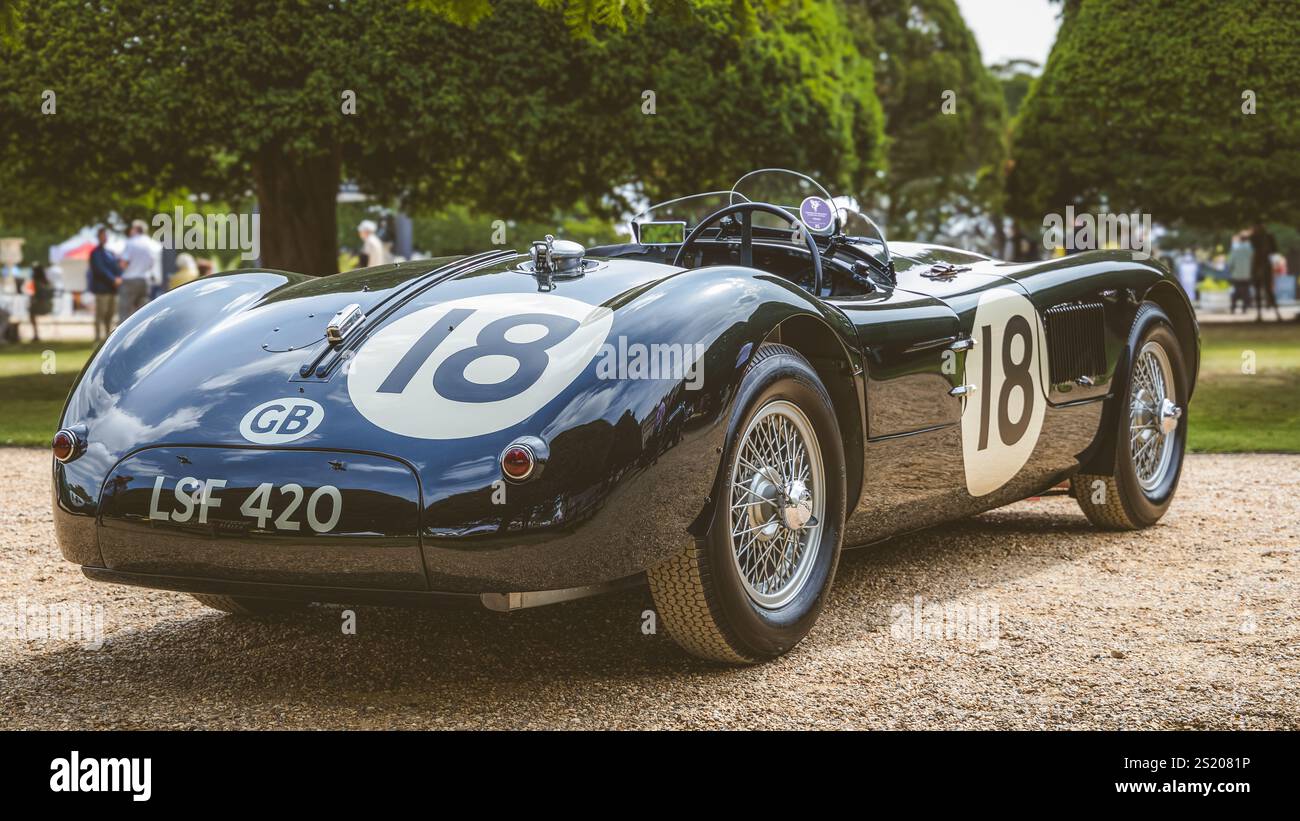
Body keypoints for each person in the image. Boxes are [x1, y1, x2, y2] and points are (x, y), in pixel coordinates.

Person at [118, 219, 156, 322]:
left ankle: (124, 337)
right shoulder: (151, 243)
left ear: (135, 229)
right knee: (142, 312)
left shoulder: (131, 243)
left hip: (130, 280)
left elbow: (123, 264)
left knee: (125, 311)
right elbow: (152, 263)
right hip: (145, 280)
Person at [88, 226, 121, 340]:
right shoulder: (95, 253)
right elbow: (100, 269)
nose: (104, 238)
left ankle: (108, 337)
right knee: (100, 314)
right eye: (102, 235)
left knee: (110, 315)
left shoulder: (110, 252)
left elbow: (116, 267)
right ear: (98, 237)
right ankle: (97, 337)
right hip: (102, 289)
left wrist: (119, 278)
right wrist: (113, 280)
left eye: (105, 236)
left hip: (113, 289)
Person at [1249, 224, 1282, 322]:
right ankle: (1269, 314)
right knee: (1262, 289)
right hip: (1261, 263)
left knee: (1266, 290)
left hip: (1262, 264)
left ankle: (1274, 313)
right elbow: (1274, 250)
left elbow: (1273, 250)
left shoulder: (1262, 237)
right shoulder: (1259, 237)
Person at [1225, 231, 1254, 314]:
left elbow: (1230, 262)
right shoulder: (1251, 250)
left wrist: (1231, 270)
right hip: (1247, 274)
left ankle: (1233, 307)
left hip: (1236, 275)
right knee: (1246, 291)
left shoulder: (1236, 249)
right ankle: (1244, 307)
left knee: (1236, 291)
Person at [27, 263, 53, 342]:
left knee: (31, 313)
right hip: (49, 306)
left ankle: (36, 334)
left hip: (40, 306)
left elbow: (33, 295)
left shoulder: (35, 282)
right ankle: (36, 334)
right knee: (31, 310)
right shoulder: (48, 282)